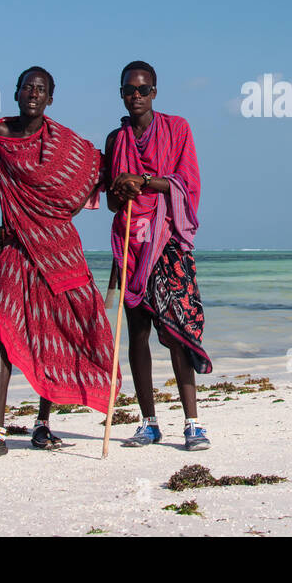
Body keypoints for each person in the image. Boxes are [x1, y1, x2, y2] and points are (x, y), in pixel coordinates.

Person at [0, 66, 120, 459]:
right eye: (27, 87)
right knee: (2, 330)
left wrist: (132, 177)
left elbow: (100, 169)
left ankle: (43, 424)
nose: (33, 93)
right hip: (15, 247)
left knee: (57, 332)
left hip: (59, 248)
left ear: (51, 98)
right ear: (16, 93)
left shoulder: (63, 144)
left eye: (41, 89)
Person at [102, 61, 212, 451]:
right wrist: (121, 191)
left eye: (143, 89)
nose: (136, 96)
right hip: (130, 242)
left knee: (177, 332)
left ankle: (193, 422)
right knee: (137, 335)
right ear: (120, 93)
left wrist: (145, 181)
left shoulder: (177, 128)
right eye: (129, 90)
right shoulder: (116, 140)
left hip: (166, 242)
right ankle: (148, 423)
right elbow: (111, 196)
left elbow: (188, 183)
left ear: (154, 92)